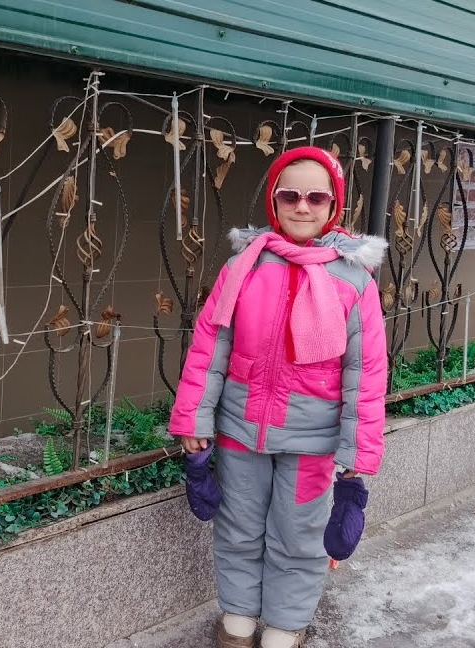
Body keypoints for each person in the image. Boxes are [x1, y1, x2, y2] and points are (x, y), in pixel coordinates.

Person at [169, 146, 389, 648]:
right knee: (237, 529)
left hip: (312, 443)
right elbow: (210, 346)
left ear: (333, 204)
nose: (302, 206)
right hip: (241, 431)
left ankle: (285, 626)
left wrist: (358, 453)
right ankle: (238, 619)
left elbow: (366, 373)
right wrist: (194, 418)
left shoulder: (353, 280)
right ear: (273, 200)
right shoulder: (244, 267)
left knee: (298, 536)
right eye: (290, 195)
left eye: (316, 197)